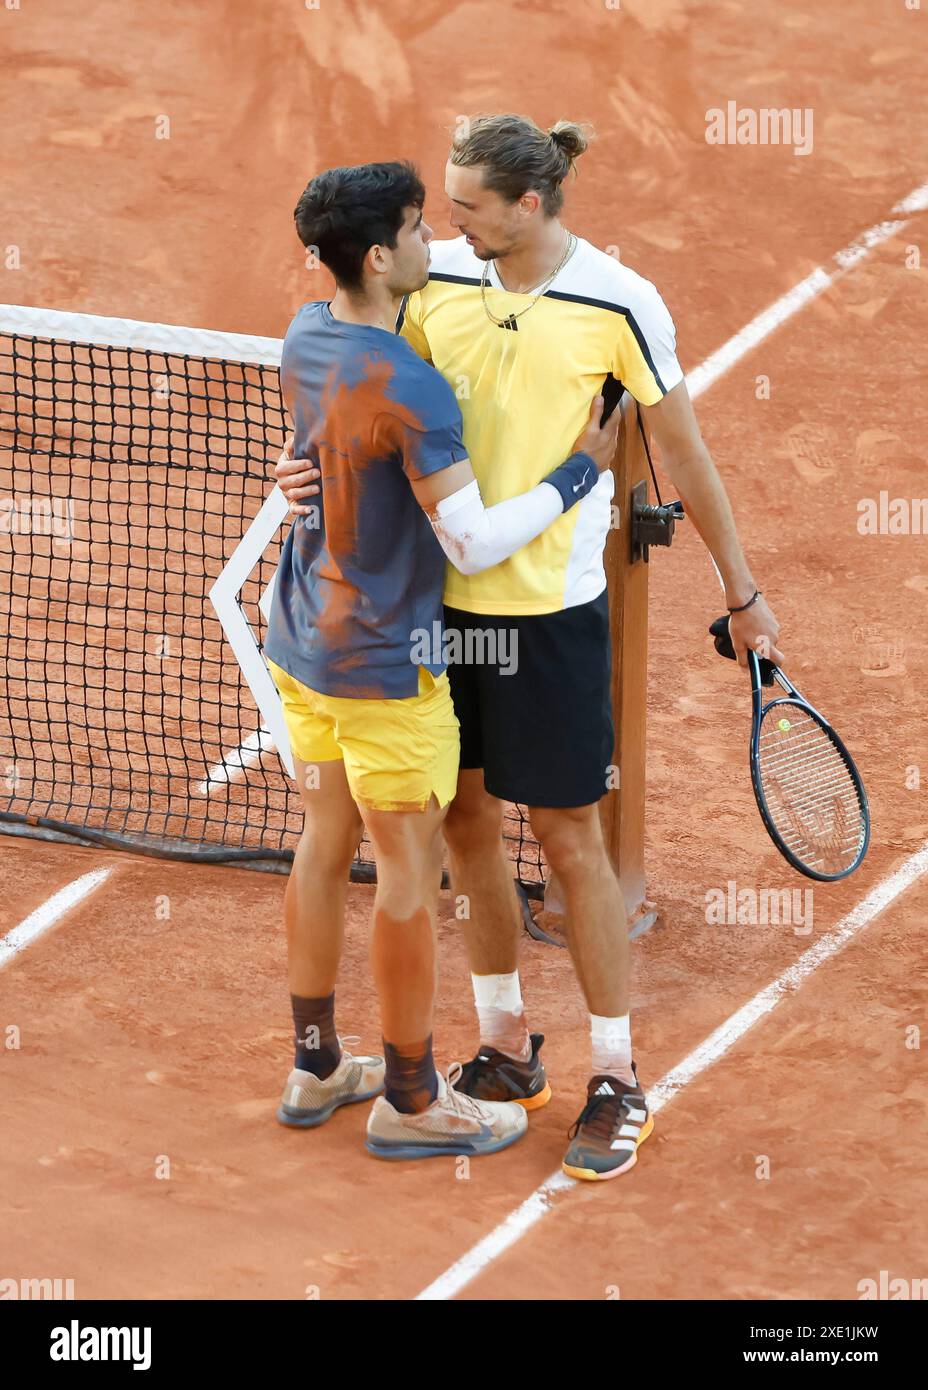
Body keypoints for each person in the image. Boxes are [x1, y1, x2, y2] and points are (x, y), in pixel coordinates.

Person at [276, 116, 783, 1180]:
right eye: (441, 210)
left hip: (548, 614)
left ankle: (616, 1073)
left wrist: (744, 592)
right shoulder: (435, 283)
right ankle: (504, 1045)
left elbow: (683, 446)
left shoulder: (618, 301)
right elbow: (361, 398)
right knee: (463, 825)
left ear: (530, 205)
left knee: (565, 840)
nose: (449, 224)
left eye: (466, 206)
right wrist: (298, 468)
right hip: (437, 612)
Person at [265, 158, 619, 1162]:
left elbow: (325, 451)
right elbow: (467, 540)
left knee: (322, 841)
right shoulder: (412, 384)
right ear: (380, 257)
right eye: (423, 231)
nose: (442, 246)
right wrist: (575, 473)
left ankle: (316, 1061)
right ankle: (413, 1099)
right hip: (384, 668)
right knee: (410, 876)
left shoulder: (303, 335)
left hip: (298, 638)